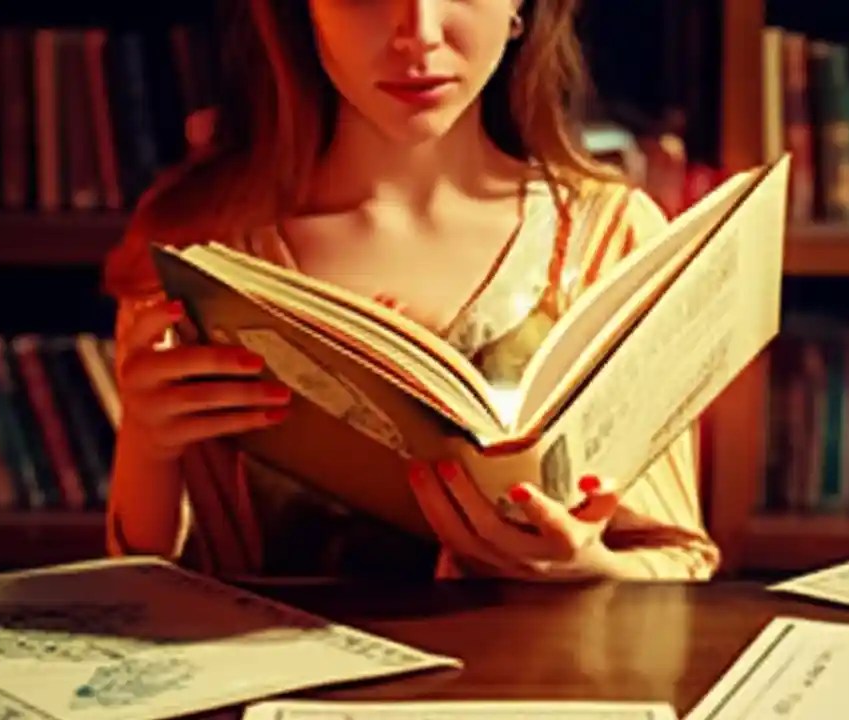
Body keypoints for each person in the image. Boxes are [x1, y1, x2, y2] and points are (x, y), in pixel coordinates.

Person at [100, 0, 721, 582]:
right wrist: (147, 446)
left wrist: (586, 568)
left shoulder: (611, 238)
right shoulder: (200, 246)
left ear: (521, 8)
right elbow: (141, 583)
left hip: (535, 664)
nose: (418, 34)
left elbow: (677, 558)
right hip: (265, 661)